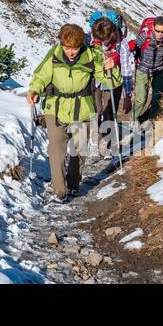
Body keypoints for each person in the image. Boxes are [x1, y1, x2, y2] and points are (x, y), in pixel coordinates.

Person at [27, 23, 104, 203]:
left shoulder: (92, 55)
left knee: (79, 147)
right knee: (56, 147)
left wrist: (110, 67)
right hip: (56, 106)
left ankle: (74, 183)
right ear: (61, 44)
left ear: (81, 45)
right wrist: (34, 91)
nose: (70, 52)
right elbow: (40, 76)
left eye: (75, 48)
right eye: (67, 48)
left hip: (82, 106)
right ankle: (59, 190)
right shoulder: (54, 55)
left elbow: (107, 78)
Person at [88, 15, 129, 157]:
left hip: (114, 80)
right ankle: (95, 141)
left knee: (109, 112)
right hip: (95, 79)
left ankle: (106, 143)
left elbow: (126, 68)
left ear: (113, 33)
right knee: (95, 110)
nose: (104, 43)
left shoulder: (121, 43)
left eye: (106, 39)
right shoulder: (93, 39)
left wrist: (128, 94)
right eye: (101, 40)